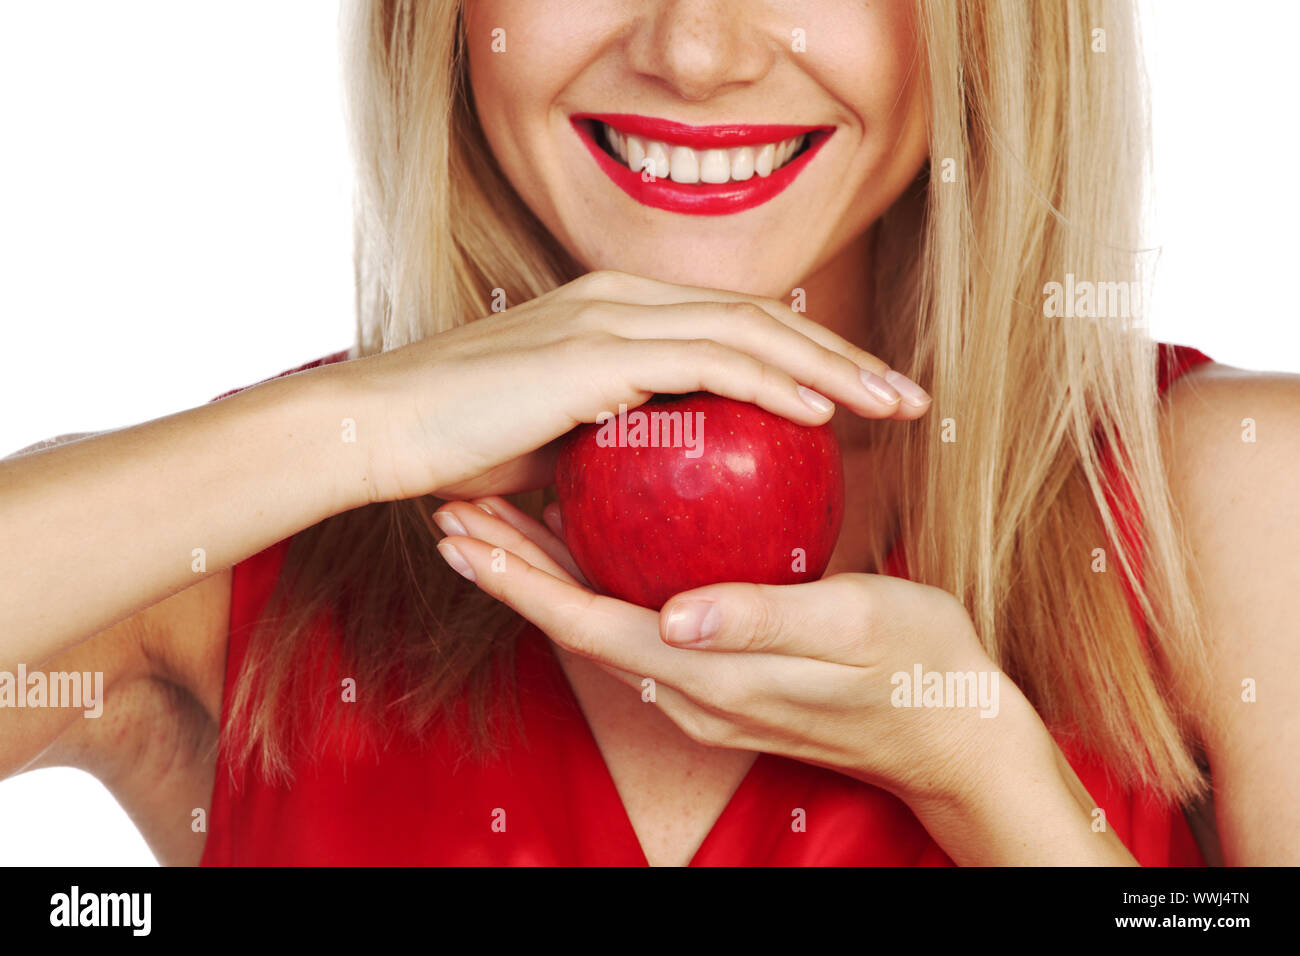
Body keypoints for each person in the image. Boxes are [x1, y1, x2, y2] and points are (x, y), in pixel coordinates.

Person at [3, 0, 1297, 866]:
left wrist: (987, 780)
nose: (698, 50)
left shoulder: (1232, 506)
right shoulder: (248, 552)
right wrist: (355, 425)